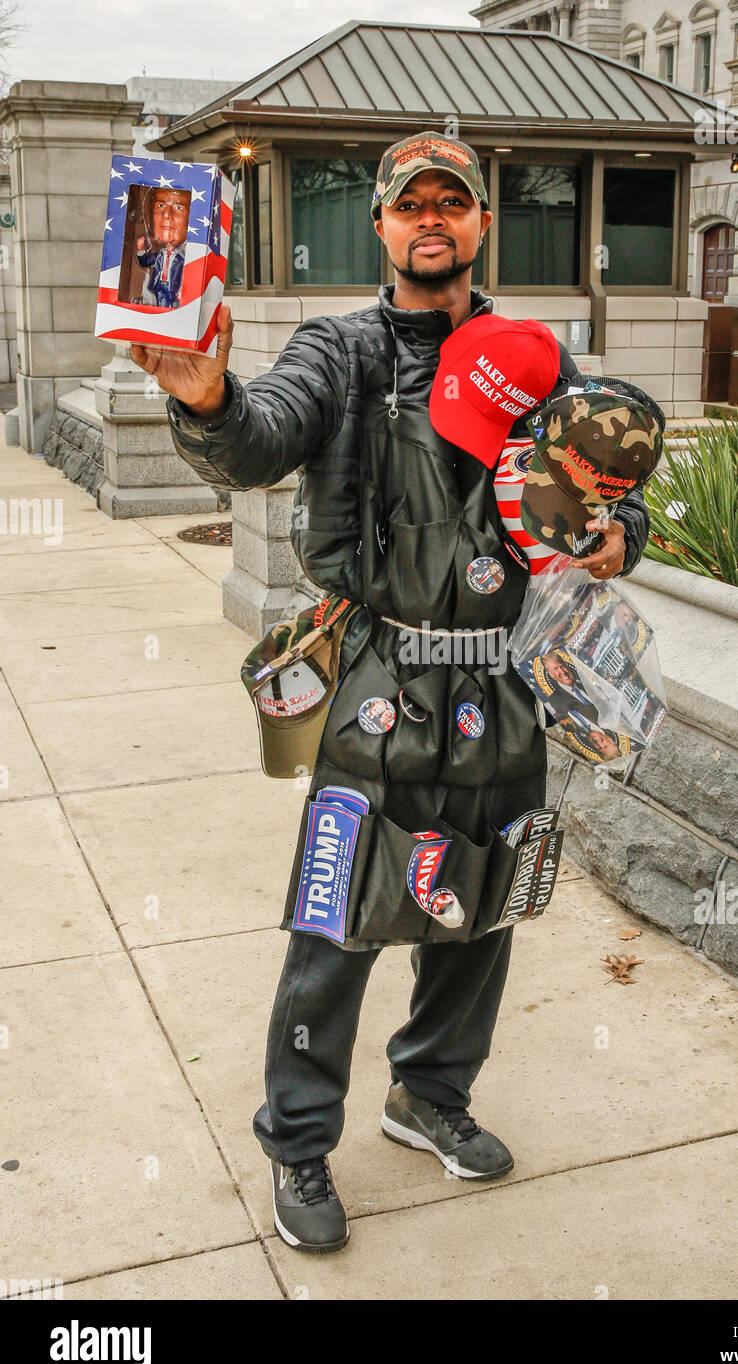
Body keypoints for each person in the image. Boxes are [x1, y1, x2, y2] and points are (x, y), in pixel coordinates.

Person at [129, 130, 652, 1256]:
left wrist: (617, 539)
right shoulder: (341, 350)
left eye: (449, 204)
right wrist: (209, 396)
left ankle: (426, 1095)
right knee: (341, 918)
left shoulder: (535, 359)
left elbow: (605, 488)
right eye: (408, 203)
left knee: (482, 907)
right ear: (380, 225)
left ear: (477, 226)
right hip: (379, 676)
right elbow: (259, 442)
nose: (430, 220)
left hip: (504, 681)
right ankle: (299, 1140)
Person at [134, 188, 190, 308]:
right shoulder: (157, 256)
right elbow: (144, 262)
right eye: (160, 205)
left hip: (172, 293)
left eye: (179, 208)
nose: (167, 215)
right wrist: (140, 249)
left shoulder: (183, 260)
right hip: (156, 289)